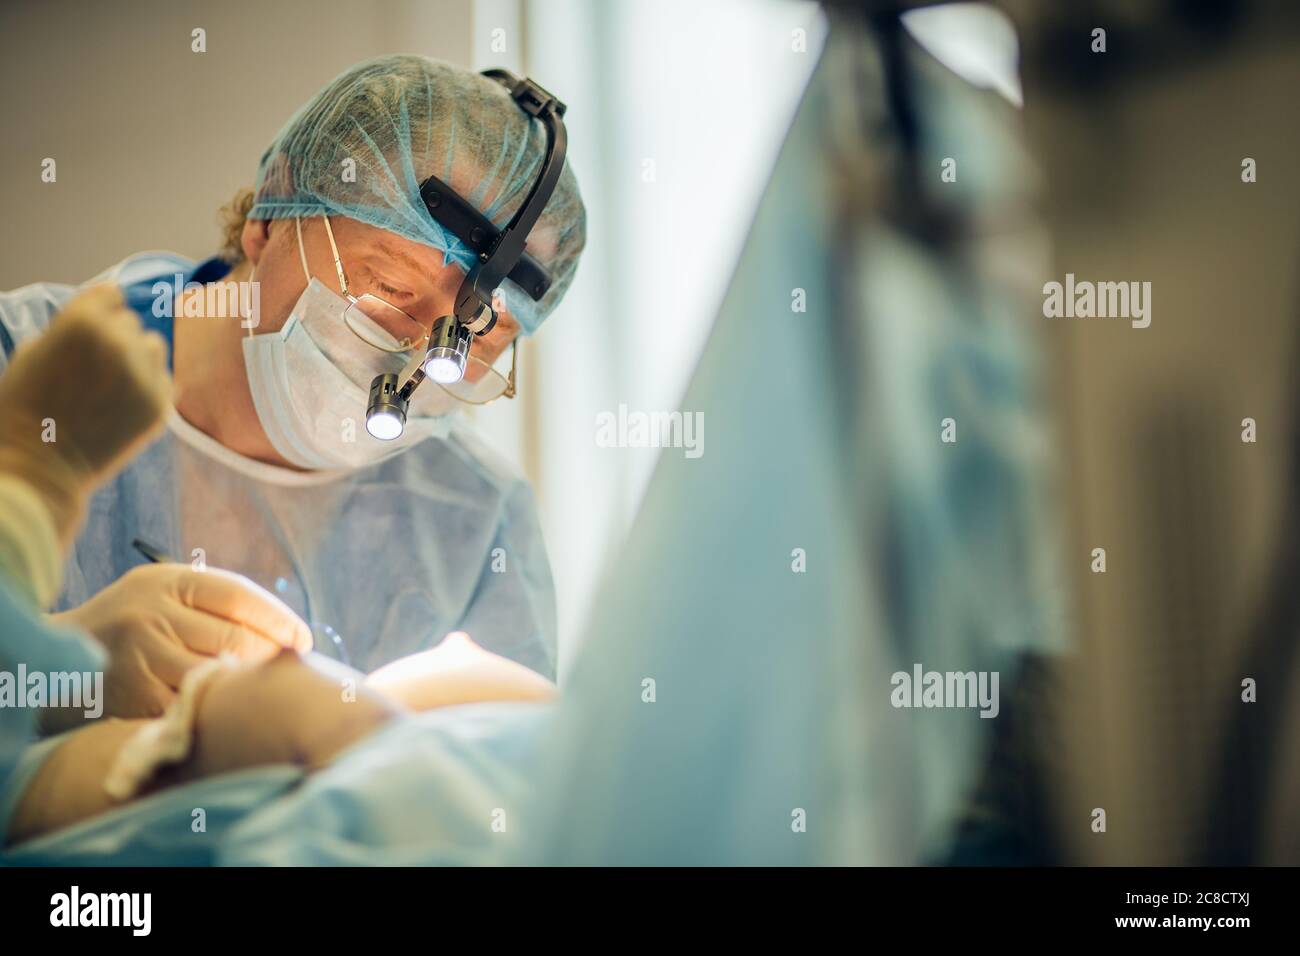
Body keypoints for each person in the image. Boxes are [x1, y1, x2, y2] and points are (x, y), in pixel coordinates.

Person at [0, 54, 586, 692]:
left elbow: (500, 776)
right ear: (268, 223)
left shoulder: (474, 522)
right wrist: (57, 672)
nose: (417, 358)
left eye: (476, 335)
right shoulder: (23, 372)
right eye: (389, 287)